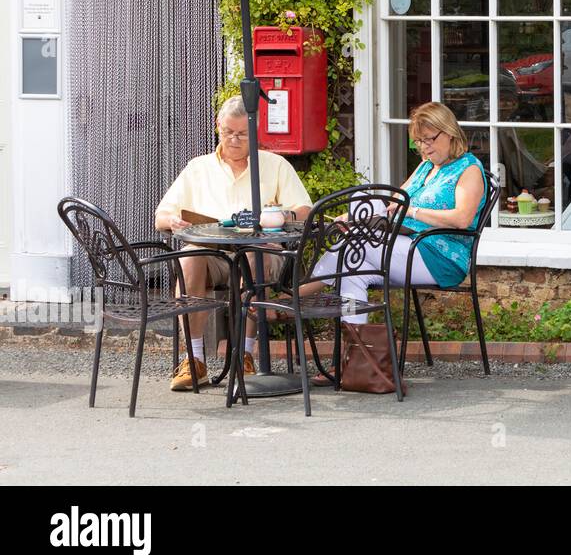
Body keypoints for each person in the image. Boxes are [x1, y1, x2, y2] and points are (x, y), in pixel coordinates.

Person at [155, 95, 312, 390]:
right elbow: (161, 215)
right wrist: (172, 220)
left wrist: (280, 213)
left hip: (262, 252)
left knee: (254, 257)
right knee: (189, 257)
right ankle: (195, 359)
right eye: (228, 132)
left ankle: (246, 353)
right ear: (218, 128)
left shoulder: (274, 165)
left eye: (242, 133)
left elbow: (305, 211)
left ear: (255, 132)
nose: (234, 140)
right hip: (214, 254)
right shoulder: (198, 167)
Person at [305, 102, 487, 325]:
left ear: (449, 132)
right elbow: (394, 204)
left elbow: (462, 219)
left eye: (429, 139)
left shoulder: (469, 169)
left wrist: (413, 211)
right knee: (351, 272)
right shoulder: (426, 167)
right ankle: (357, 351)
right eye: (419, 142)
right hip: (407, 247)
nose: (425, 148)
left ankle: (295, 295)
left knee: (350, 244)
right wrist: (353, 218)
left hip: (441, 259)